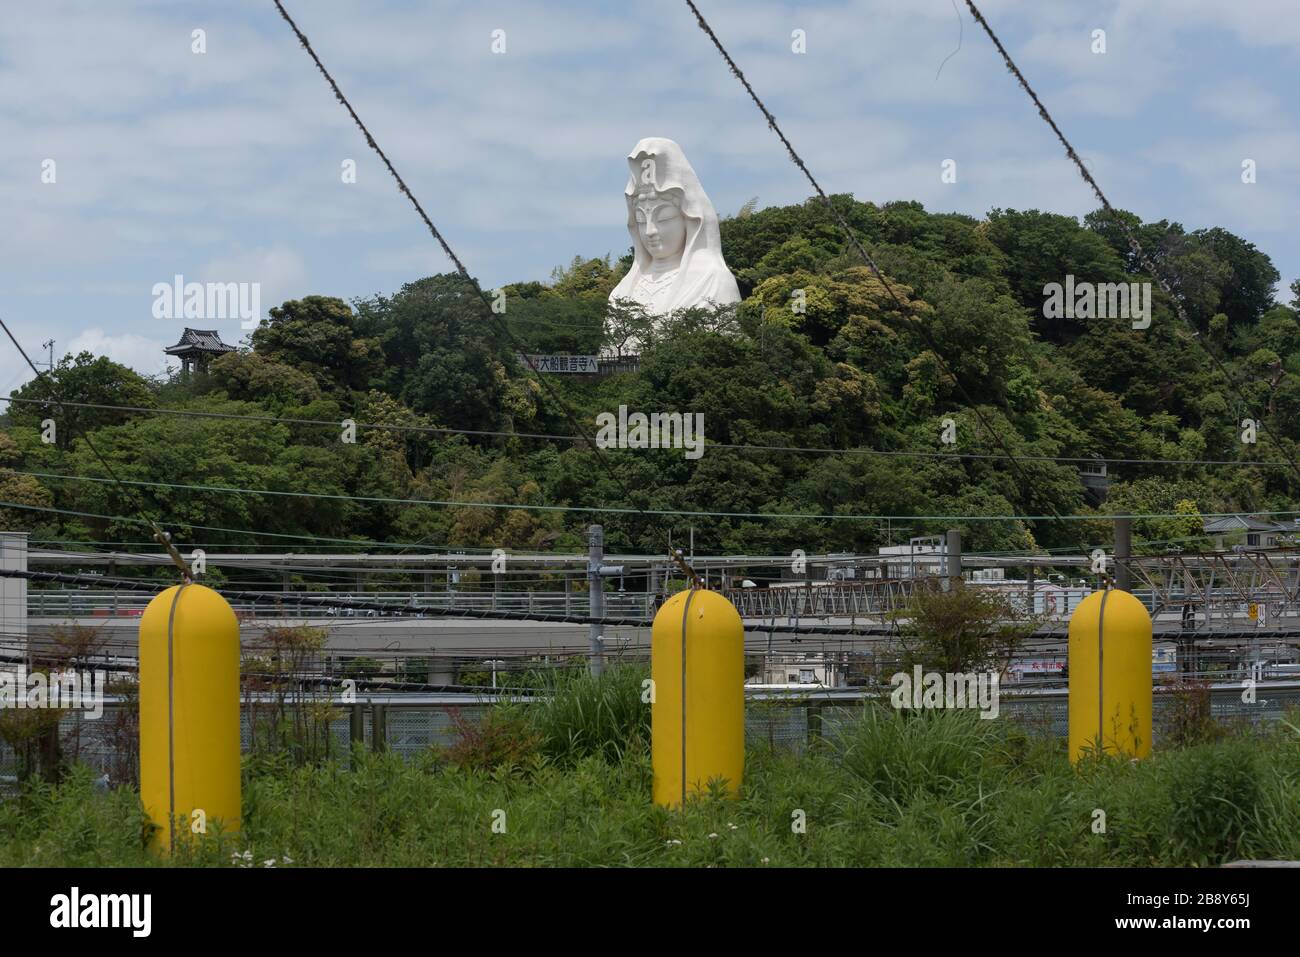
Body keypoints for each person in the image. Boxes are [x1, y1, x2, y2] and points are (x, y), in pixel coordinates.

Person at [608, 137, 741, 315]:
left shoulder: (713, 280)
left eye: (663, 218)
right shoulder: (620, 294)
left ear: (689, 218)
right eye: (640, 220)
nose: (650, 231)